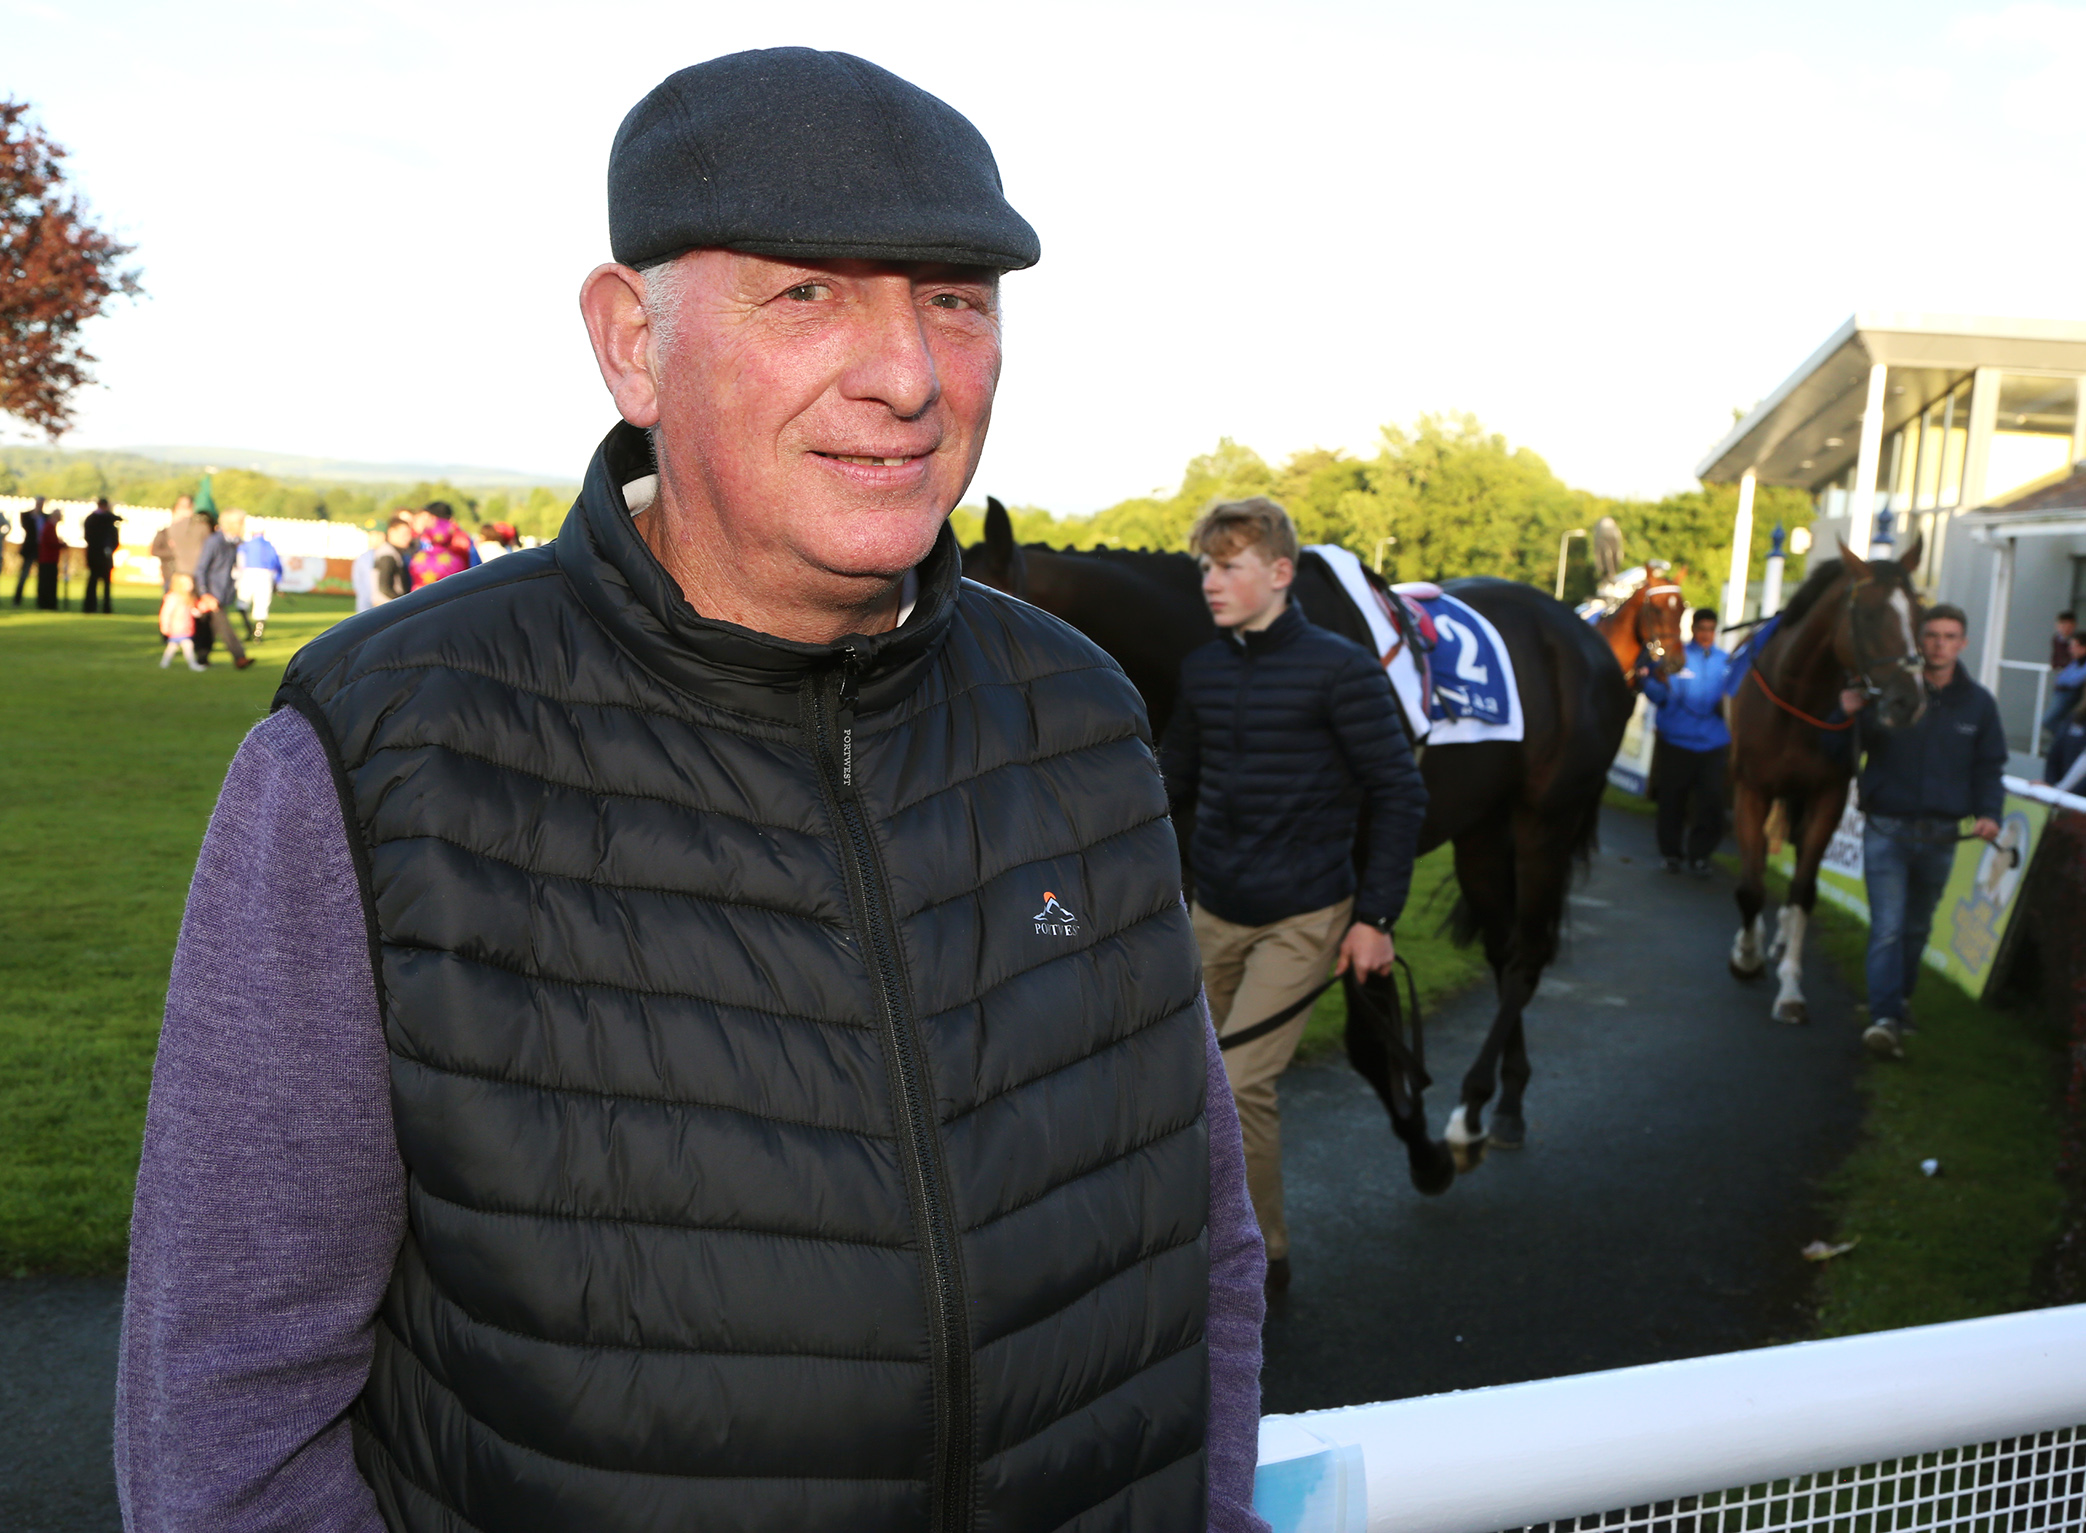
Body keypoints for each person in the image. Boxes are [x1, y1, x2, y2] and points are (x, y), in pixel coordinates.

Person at [118, 49, 1264, 1532]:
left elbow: (1201, 1249)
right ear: (630, 344)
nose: (908, 374)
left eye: (955, 300)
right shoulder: (382, 751)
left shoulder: (1080, 716)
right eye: (808, 294)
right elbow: (230, 1413)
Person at [1160, 496, 1426, 1297]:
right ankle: (1192, 1237)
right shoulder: (1202, 669)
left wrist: (1375, 918)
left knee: (1239, 1083)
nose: (1211, 582)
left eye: (1228, 566)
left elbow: (1400, 792)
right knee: (1185, 1078)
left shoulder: (1341, 669)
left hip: (1306, 916)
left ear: (1280, 572)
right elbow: (1170, 781)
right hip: (1215, 909)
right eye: (1205, 567)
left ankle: (1261, 1264)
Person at [1826, 604, 2006, 1060]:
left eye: (1949, 636)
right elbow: (1836, 749)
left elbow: (1989, 766)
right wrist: (1844, 715)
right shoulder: (1889, 692)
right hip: (1887, 827)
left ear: (1963, 643)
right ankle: (1884, 1019)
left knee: (1916, 928)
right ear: (1918, 641)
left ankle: (1898, 1003)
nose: (1939, 644)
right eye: (1932, 635)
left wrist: (1989, 812)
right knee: (1888, 927)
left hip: (1942, 835)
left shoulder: (1979, 704)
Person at [1637, 607, 1731, 875]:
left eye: (1710, 629)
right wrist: (1648, 683)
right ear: (1693, 629)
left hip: (1713, 744)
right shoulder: (1675, 657)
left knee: (1711, 804)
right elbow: (1657, 693)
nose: (1706, 634)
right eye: (1701, 629)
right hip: (1677, 742)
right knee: (1672, 802)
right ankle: (1671, 854)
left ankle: (1700, 857)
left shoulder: (1726, 662)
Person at [190, 509, 254, 670]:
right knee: (223, 625)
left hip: (223, 592)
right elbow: (201, 569)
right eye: (241, 523)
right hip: (211, 593)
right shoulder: (214, 541)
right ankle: (240, 657)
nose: (243, 526)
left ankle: (202, 658)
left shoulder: (235, 543)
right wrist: (205, 594)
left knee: (210, 627)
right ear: (230, 524)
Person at [235, 523, 283, 639]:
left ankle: (249, 630)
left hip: (247, 574)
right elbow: (277, 565)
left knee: (242, 602)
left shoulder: (245, 545)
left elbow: (239, 561)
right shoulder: (269, 546)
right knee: (262, 605)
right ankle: (258, 635)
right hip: (265, 575)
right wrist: (277, 581)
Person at [150, 494, 199, 593]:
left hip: (189, 572)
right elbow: (154, 551)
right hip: (170, 572)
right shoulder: (164, 532)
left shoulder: (193, 533)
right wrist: (175, 552)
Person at [157, 574, 206, 671]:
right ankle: (193, 665)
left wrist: (197, 612)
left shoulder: (187, 598)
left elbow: (190, 611)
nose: (191, 586)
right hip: (177, 628)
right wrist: (165, 626)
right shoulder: (173, 598)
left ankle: (164, 663)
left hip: (185, 628)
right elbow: (166, 613)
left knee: (172, 647)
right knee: (188, 646)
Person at [82, 496, 121, 614]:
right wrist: (109, 549)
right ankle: (105, 607)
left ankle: (90, 607)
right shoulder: (107, 520)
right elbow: (115, 540)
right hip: (103, 555)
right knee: (103, 583)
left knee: (93, 581)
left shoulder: (91, 519)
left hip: (94, 555)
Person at [2043, 632, 2086, 734]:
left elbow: (2074, 680)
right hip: (2062, 695)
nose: (2071, 649)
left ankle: (2067, 739)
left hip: (2072, 696)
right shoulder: (2076, 662)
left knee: (2049, 721)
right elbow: (2061, 678)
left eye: (2074, 646)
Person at [368, 514, 413, 604]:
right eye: (404, 534)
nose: (408, 538)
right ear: (391, 532)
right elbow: (385, 587)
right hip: (387, 605)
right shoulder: (387, 554)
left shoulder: (394, 552)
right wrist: (404, 602)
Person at [13, 496, 45, 606]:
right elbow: (26, 527)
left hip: (41, 549)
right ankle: (17, 600)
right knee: (24, 575)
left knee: (42, 576)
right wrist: (33, 517)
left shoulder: (45, 517)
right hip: (30, 549)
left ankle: (41, 600)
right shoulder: (28, 515)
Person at [35, 502, 64, 609]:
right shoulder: (50, 526)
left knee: (47, 582)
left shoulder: (50, 526)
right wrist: (61, 544)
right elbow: (51, 543)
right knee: (48, 582)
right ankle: (48, 603)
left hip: (48, 558)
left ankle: (46, 603)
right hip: (48, 559)